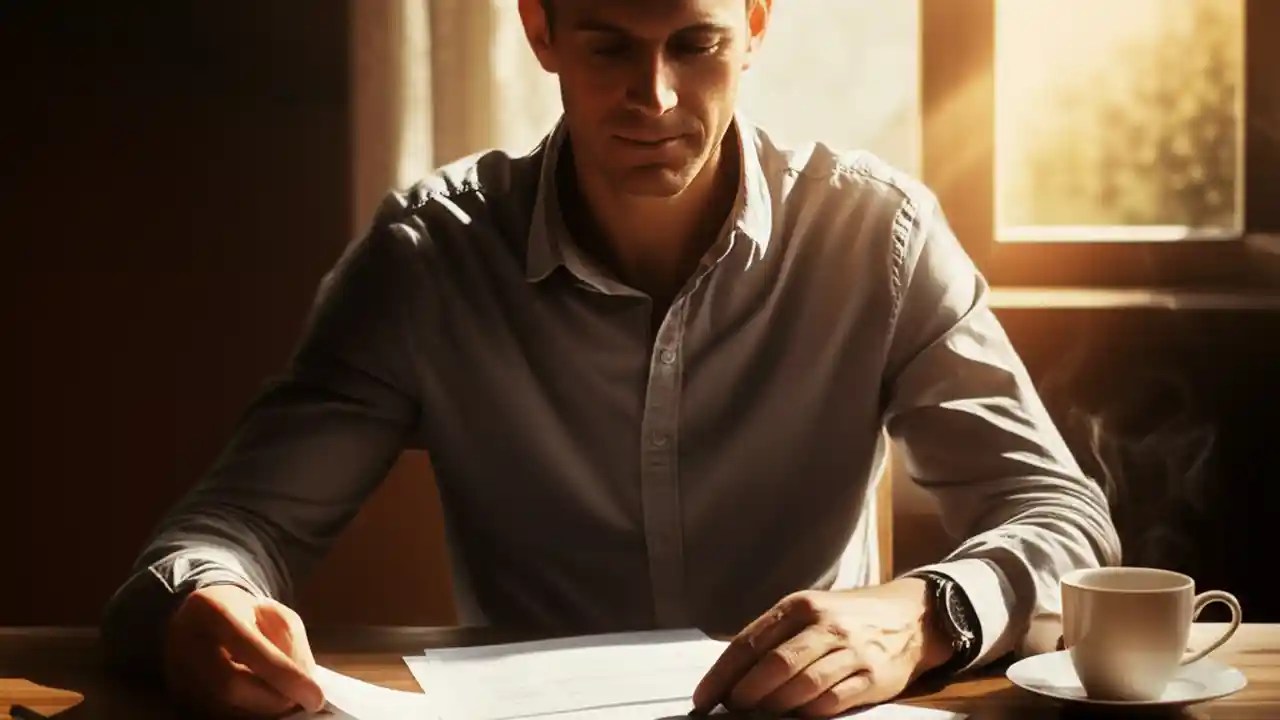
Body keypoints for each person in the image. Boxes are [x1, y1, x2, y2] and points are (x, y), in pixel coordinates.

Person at [102, 0, 1121, 717]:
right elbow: (226, 531)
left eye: (697, 44)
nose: (657, 97)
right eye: (607, 48)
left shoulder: (876, 236)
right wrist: (201, 607)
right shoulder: (429, 257)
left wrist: (924, 616)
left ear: (757, 25)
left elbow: (1065, 521)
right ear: (537, 29)